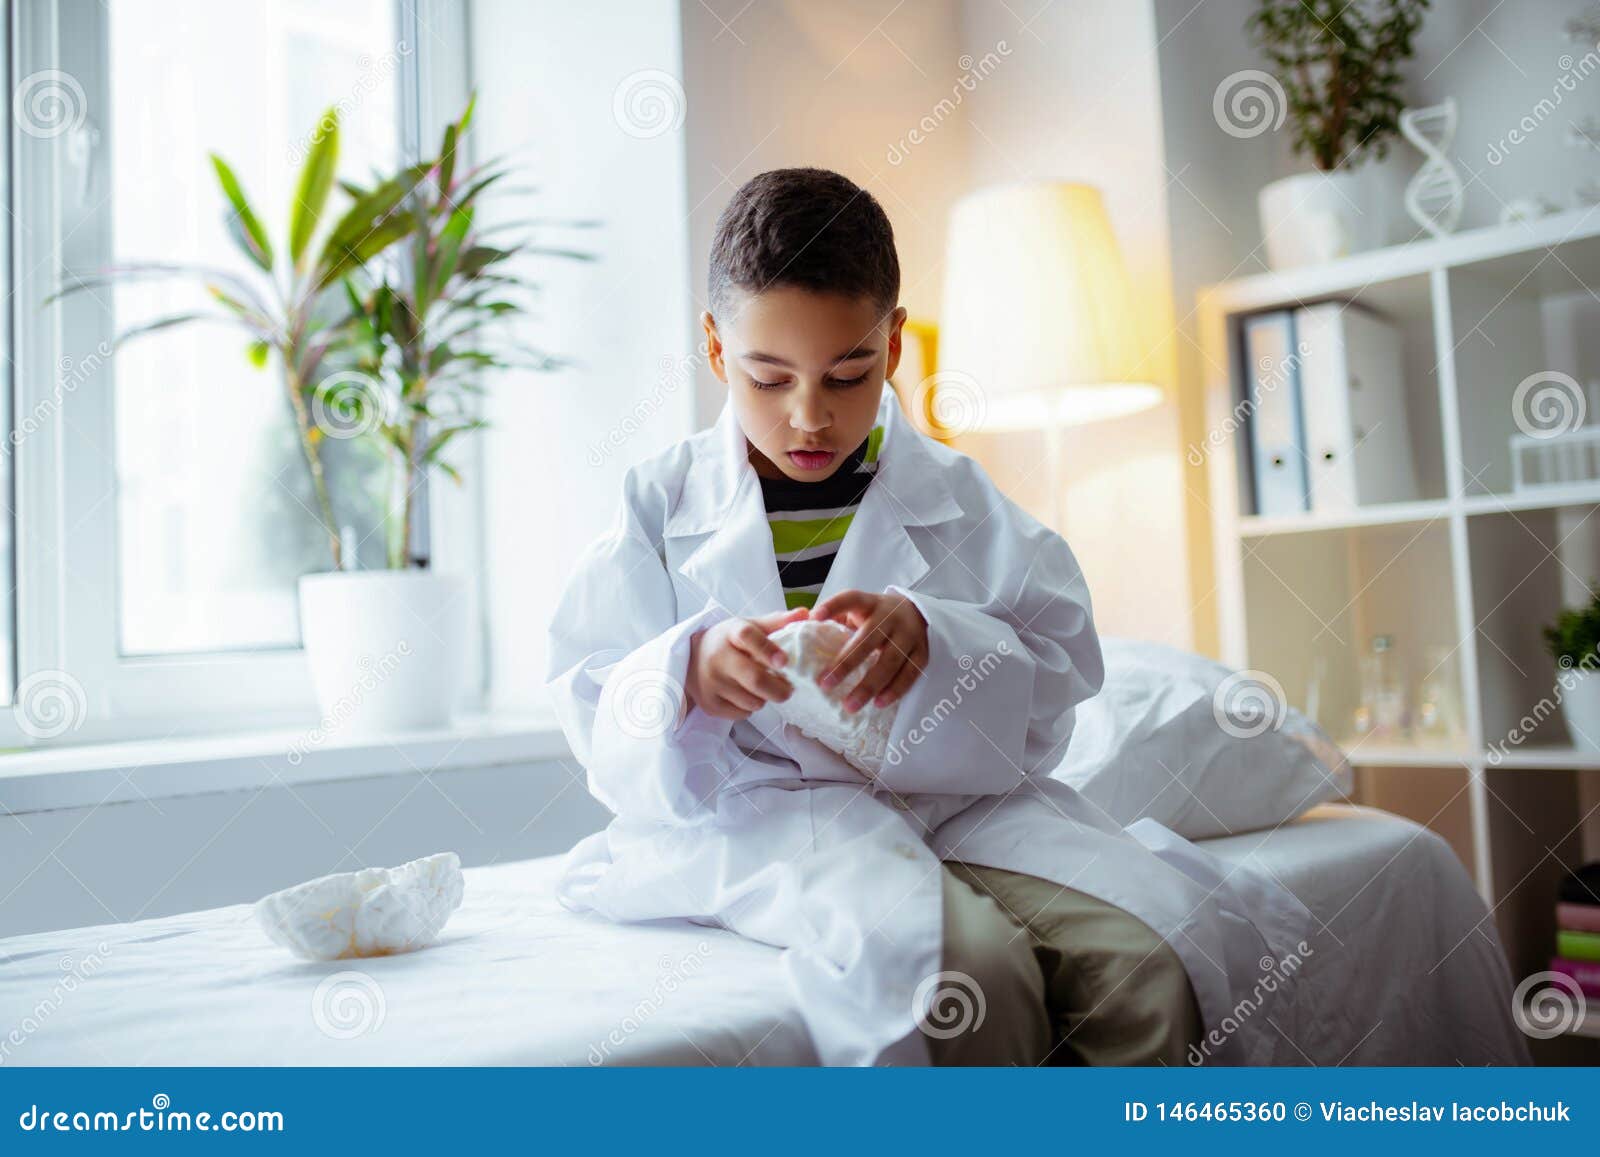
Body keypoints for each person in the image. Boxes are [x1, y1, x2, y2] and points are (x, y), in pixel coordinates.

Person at [546, 167, 1310, 1066]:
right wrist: (689, 669)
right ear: (716, 349)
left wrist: (939, 640)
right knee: (965, 985)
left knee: (1154, 959)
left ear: (895, 344)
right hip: (769, 818)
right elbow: (593, 695)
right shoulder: (658, 503)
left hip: (951, 802)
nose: (808, 416)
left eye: (848, 372)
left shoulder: (953, 494)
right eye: (768, 376)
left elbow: (1061, 658)